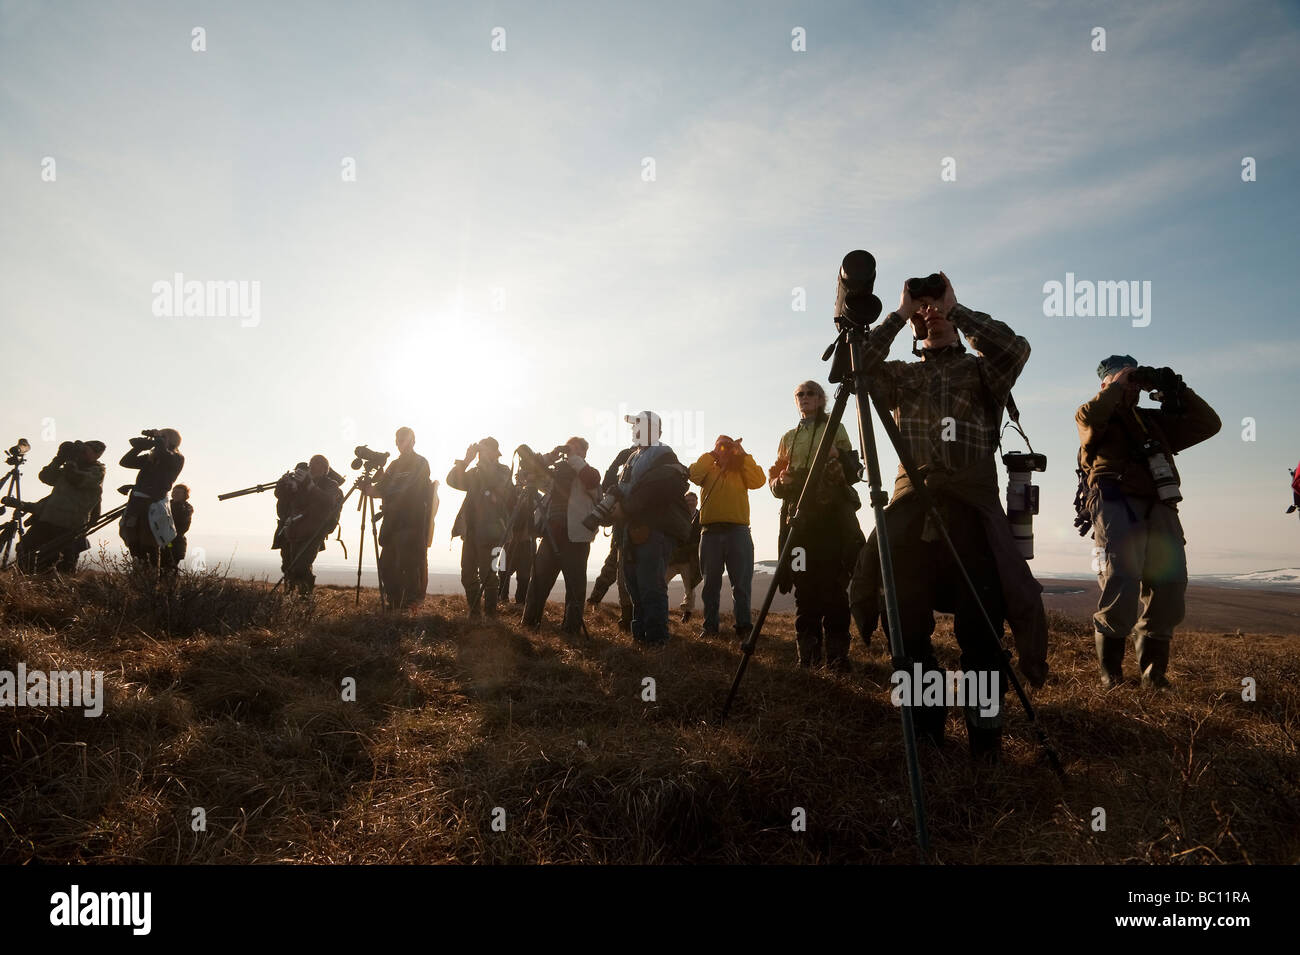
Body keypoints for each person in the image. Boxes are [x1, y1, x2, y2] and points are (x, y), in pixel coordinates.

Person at [851, 273, 1048, 762]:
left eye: (936, 312)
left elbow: (1014, 349)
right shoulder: (902, 375)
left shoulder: (982, 372)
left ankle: (985, 741)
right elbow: (855, 369)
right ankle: (925, 730)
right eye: (925, 314)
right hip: (911, 516)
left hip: (969, 517)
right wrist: (899, 315)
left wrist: (954, 307)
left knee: (981, 634)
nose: (931, 316)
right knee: (909, 635)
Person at [1076, 356, 1221, 689]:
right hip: (1115, 500)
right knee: (1122, 579)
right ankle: (1110, 675)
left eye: (1136, 380)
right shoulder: (1093, 416)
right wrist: (1116, 388)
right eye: (1124, 378)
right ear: (1105, 383)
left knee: (1169, 585)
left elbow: (1208, 424)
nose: (1133, 385)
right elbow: (1090, 416)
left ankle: (1153, 675)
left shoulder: (1153, 422)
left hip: (1159, 503)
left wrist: (1177, 389)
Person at [770, 384, 863, 671]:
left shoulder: (836, 428)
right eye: (800, 394)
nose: (805, 398)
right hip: (799, 521)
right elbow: (775, 478)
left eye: (811, 393)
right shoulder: (788, 437)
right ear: (795, 400)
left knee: (835, 587)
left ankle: (837, 658)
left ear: (821, 399)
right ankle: (807, 659)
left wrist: (837, 457)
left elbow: (854, 471)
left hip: (832, 519)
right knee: (805, 588)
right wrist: (780, 483)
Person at [614, 411, 692, 646]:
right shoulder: (634, 457)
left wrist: (625, 508)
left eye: (638, 426)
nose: (633, 430)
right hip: (633, 528)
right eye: (633, 427)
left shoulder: (664, 455)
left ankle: (657, 640)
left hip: (654, 530)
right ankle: (641, 638)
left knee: (650, 585)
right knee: (634, 585)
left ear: (653, 429)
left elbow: (658, 490)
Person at [521, 437, 602, 636]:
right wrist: (552, 456)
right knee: (538, 582)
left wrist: (573, 458)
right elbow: (527, 471)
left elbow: (592, 480)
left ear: (584, 452)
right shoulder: (557, 473)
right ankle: (529, 624)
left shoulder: (589, 473)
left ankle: (571, 631)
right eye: (569, 448)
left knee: (575, 587)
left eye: (575, 448)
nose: (569, 451)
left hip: (576, 538)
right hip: (550, 536)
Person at [690, 436, 765, 638]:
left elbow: (759, 481)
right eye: (719, 446)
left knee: (741, 583)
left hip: (738, 531)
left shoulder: (741, 470)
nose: (723, 450)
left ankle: (743, 626)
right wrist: (712, 454)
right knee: (710, 584)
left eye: (727, 446)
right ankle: (710, 627)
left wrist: (743, 454)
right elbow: (694, 475)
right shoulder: (707, 469)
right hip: (710, 532)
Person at [363, 427, 433, 612]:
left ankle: (409, 606)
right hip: (392, 524)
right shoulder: (394, 465)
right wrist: (370, 489)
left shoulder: (421, 463)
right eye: (399, 440)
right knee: (386, 565)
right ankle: (394, 603)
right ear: (396, 443)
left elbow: (411, 488)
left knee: (408, 565)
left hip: (411, 523)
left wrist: (382, 490)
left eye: (406, 439)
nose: (402, 443)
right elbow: (382, 487)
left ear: (413, 441)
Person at [447, 437, 515, 619]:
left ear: (495, 453)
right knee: (467, 573)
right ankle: (475, 612)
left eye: (485, 451)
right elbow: (453, 481)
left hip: (494, 532)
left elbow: (496, 484)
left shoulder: (503, 471)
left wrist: (484, 463)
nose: (481, 455)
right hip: (471, 531)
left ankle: (491, 615)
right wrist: (466, 460)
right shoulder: (476, 472)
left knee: (490, 574)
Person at [16, 439, 106, 573]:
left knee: (58, 564)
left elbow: (75, 479)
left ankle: (56, 591)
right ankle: (24, 583)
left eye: (85, 451)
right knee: (25, 548)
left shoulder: (96, 472)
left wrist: (69, 461)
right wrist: (59, 459)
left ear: (97, 455)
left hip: (70, 526)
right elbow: (46, 477)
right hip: (48, 520)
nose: (81, 454)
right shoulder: (71, 468)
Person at [274, 457, 344, 595]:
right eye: (311, 466)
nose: (313, 469)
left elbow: (328, 501)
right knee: (288, 565)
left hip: (314, 532)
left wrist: (309, 485)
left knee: (301, 566)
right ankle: (289, 594)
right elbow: (285, 500)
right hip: (292, 530)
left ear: (325, 469)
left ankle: (305, 596)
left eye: (318, 466)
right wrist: (284, 485)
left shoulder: (331, 485)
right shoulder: (300, 484)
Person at [586, 444, 636, 630]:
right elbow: (607, 487)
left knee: (624, 574)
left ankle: (629, 616)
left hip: (634, 532)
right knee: (614, 569)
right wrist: (616, 463)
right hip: (621, 533)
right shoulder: (622, 478)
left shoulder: (638, 477)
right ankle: (599, 602)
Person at [119, 428, 185, 570]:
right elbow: (125, 462)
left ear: (171, 441)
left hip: (153, 506)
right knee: (133, 541)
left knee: (149, 543)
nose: (158, 441)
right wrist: (139, 448)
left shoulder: (176, 458)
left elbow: (164, 455)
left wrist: (158, 438)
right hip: (137, 504)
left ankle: (150, 580)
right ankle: (139, 575)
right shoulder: (153, 458)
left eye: (163, 438)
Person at [498, 466, 541, 607]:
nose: (522, 479)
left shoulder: (534, 494)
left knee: (524, 575)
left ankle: (521, 602)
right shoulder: (510, 493)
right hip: (510, 538)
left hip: (526, 539)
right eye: (520, 476)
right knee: (502, 570)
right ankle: (500, 597)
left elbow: (538, 507)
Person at [664, 491, 701, 622]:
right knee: (661, 583)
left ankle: (687, 613)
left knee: (690, 588)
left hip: (688, 559)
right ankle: (661, 610)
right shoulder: (677, 516)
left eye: (692, 500)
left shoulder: (701, 517)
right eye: (687, 500)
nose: (690, 502)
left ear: (697, 501)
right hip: (673, 558)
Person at [161, 484, 194, 577]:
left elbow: (181, 521)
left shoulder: (187, 508)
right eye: (174, 492)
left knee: (170, 568)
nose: (175, 494)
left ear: (185, 495)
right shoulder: (164, 504)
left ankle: (172, 588)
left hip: (175, 543)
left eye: (178, 492)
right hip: (162, 540)